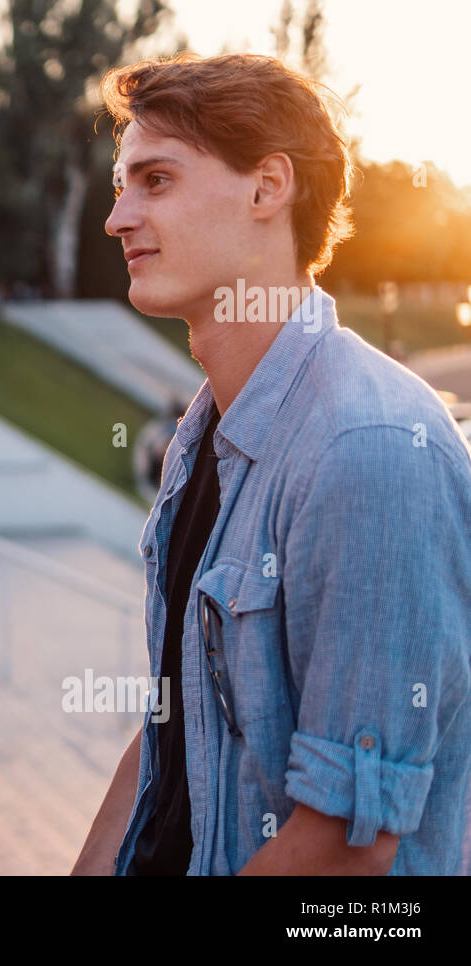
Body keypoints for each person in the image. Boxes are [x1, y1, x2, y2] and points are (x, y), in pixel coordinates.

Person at [74, 53, 471, 875]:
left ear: (267, 188)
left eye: (155, 181)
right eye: (123, 183)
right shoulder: (209, 432)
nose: (117, 217)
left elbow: (346, 845)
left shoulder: (367, 449)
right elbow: (173, 729)